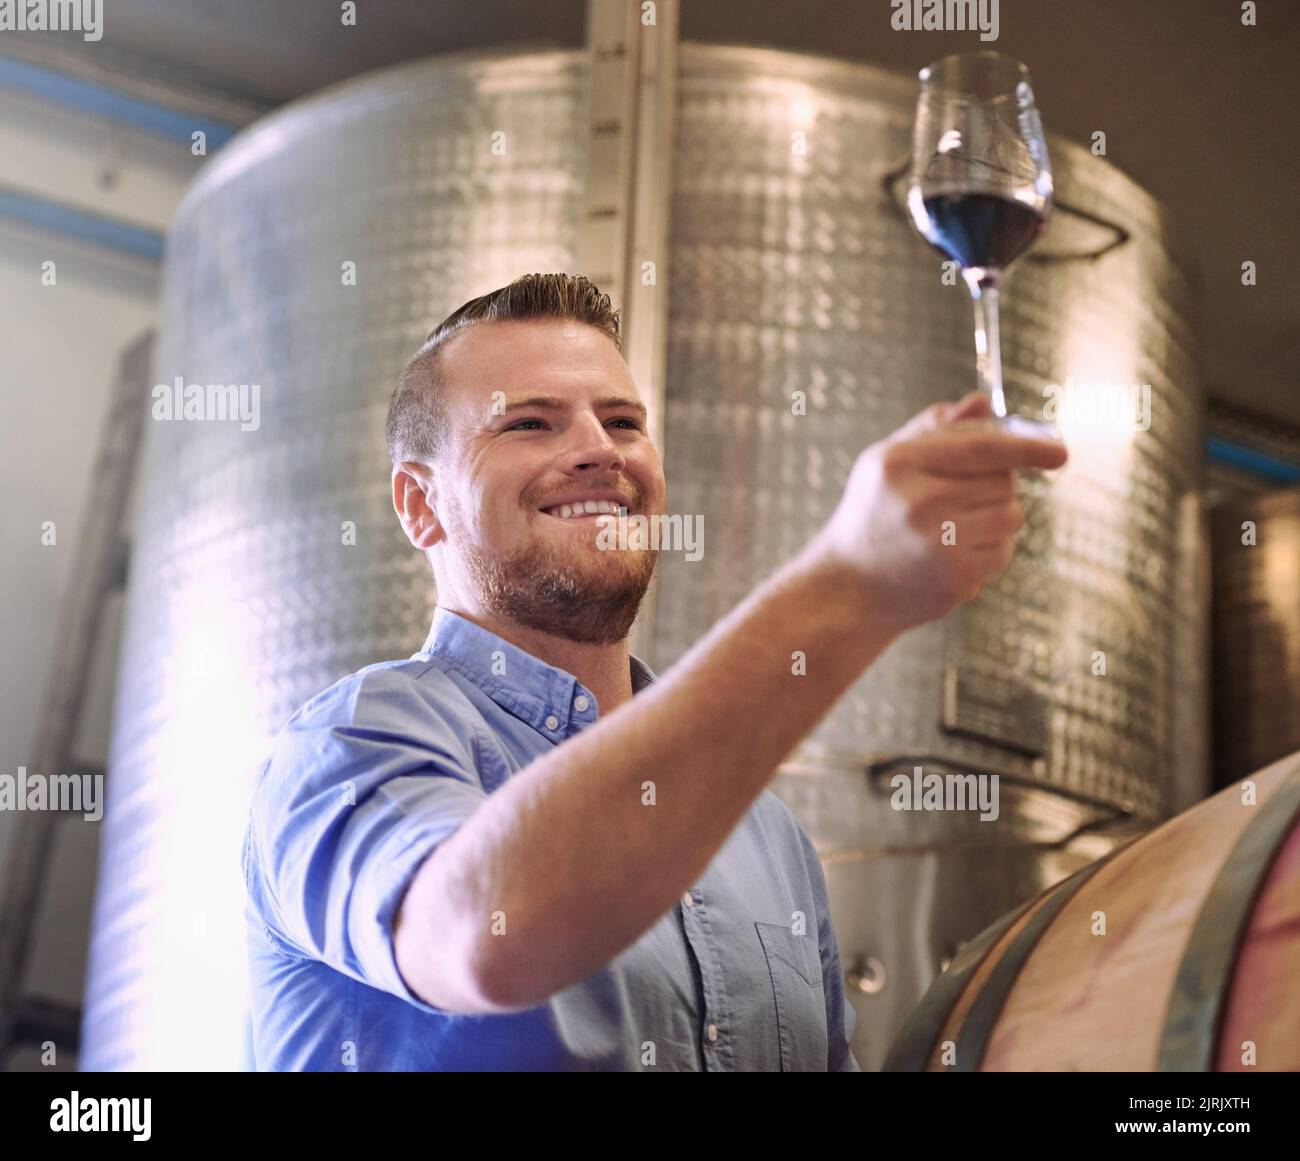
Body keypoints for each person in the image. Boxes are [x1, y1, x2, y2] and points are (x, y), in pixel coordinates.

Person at [242, 272, 1067, 1071]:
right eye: (530, 423)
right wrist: (848, 586)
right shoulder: (350, 746)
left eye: (623, 421)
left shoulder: (764, 833)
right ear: (421, 504)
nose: (599, 450)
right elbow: (482, 938)